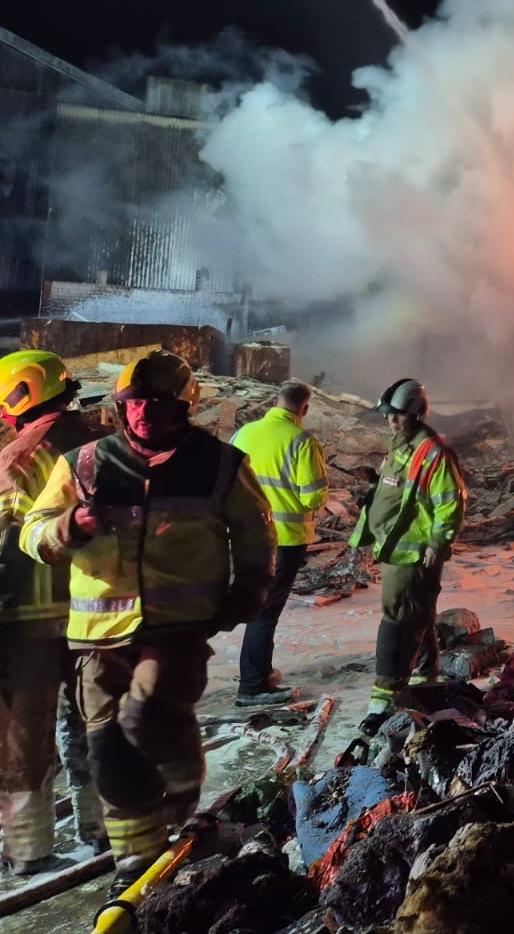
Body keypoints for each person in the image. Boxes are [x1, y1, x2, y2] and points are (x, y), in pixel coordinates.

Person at [21, 349, 272, 885]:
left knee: (147, 712)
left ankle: (181, 791)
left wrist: (248, 591)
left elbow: (256, 532)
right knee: (107, 750)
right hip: (98, 635)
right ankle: (137, 862)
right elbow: (31, 531)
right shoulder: (84, 463)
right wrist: (68, 526)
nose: (142, 413)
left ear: (183, 407)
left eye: (156, 403)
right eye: (132, 403)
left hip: (179, 627)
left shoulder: (220, 463)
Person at [0, 351, 106, 874]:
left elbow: (4, 538)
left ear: (18, 394)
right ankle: (105, 832)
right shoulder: (107, 443)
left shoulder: (18, 458)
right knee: (95, 723)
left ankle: (28, 851)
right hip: (101, 615)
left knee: (24, 740)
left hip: (28, 622)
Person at [350, 378, 465, 735]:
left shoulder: (432, 451)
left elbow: (450, 502)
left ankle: (383, 703)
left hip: (413, 556)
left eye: (399, 416)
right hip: (397, 550)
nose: (392, 422)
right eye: (389, 415)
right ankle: (426, 674)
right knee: (418, 613)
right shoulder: (401, 446)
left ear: (416, 412)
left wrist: (438, 544)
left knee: (398, 623)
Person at [230, 380, 327, 708]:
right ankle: (253, 686)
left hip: (244, 537)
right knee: (265, 612)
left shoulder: (243, 434)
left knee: (256, 607)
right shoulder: (301, 441)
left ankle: (259, 671)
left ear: (275, 400)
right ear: (305, 409)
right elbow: (311, 494)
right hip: (283, 540)